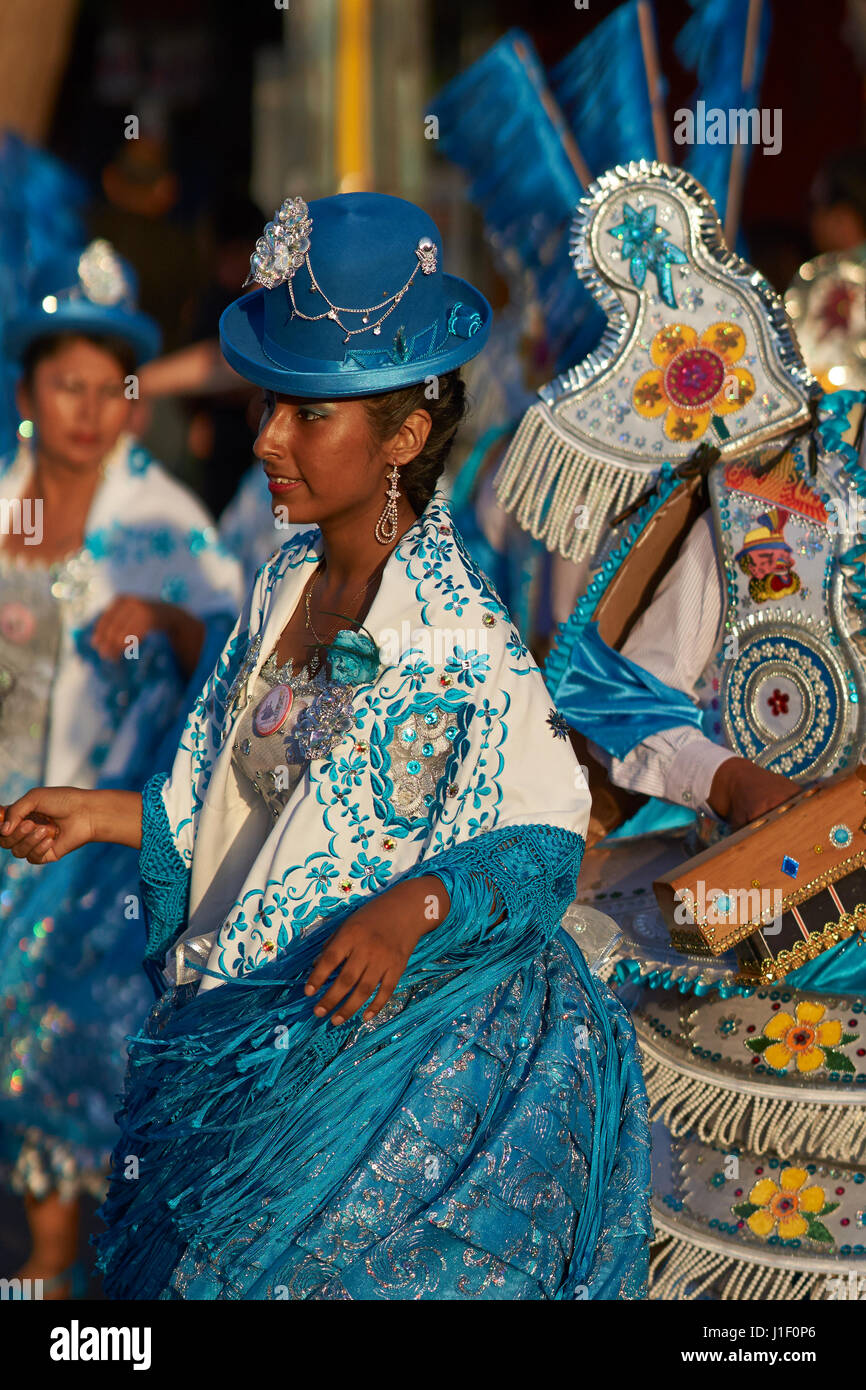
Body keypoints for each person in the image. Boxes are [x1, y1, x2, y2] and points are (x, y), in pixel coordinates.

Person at [0, 192, 650, 1301]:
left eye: (307, 413)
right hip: (246, 1030)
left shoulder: (455, 635)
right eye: (269, 405)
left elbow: (542, 835)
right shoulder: (287, 587)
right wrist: (104, 814)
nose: (263, 438)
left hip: (368, 1078)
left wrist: (409, 911)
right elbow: (257, 793)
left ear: (401, 435)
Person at [0, 238, 243, 1296]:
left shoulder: (166, 527)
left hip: (93, 875)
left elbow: (247, 662)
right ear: (29, 390)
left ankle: (63, 1291)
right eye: (68, 386)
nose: (88, 410)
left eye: (110, 390)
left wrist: (170, 620)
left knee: (70, 1095)